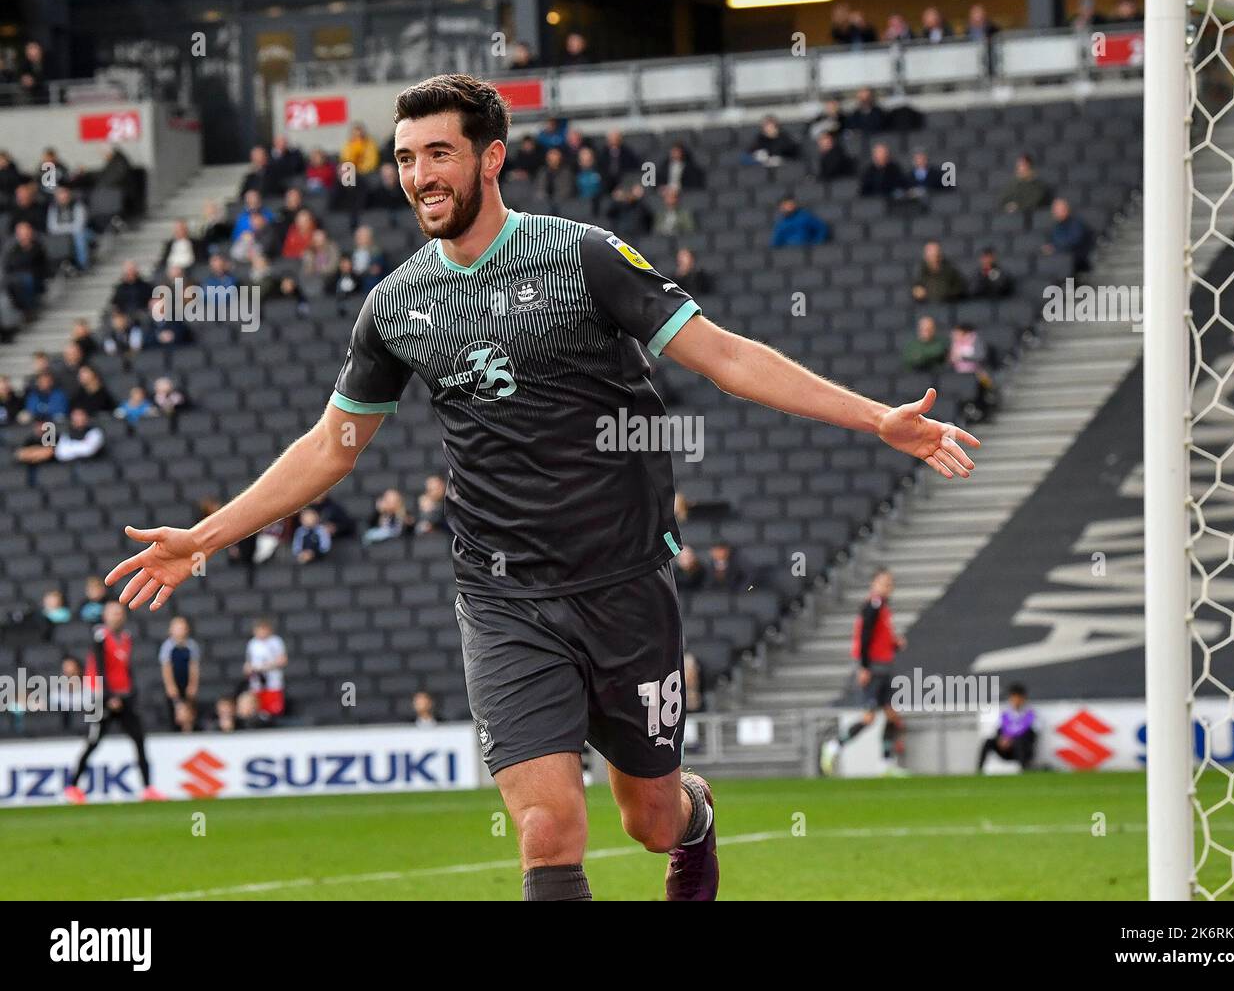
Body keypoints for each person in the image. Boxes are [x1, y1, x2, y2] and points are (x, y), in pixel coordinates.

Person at [103, 73, 979, 903]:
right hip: (503, 599)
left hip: (625, 584)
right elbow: (331, 449)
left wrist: (877, 419)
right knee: (548, 829)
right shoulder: (396, 305)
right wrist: (205, 536)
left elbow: (725, 358)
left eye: (438, 154)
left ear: (490, 158)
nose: (418, 176)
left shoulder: (583, 257)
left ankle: (695, 818)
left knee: (649, 819)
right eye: (406, 159)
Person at [64, 601, 166, 803]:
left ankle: (147, 788)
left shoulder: (126, 638)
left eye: (119, 613)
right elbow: (100, 668)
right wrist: (110, 697)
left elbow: (125, 668)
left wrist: (131, 692)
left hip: (124, 697)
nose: (117, 616)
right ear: (105, 616)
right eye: (113, 613)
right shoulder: (100, 637)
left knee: (139, 739)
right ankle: (73, 787)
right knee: (93, 742)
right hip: (103, 698)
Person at [821, 569, 906, 774]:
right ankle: (833, 746)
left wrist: (895, 644)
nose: (887, 587)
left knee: (892, 716)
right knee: (869, 718)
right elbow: (864, 637)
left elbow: (879, 639)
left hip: (885, 666)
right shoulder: (873, 605)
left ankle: (886, 764)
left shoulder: (883, 608)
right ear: (873, 584)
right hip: (874, 668)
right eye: (883, 583)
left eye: (889, 583)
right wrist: (864, 667)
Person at [978, 684, 1037, 771]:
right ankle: (979, 770)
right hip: (1006, 747)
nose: (1016, 701)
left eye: (1018, 698)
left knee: (1020, 741)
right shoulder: (1005, 713)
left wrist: (1012, 739)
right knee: (988, 741)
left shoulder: (1031, 713)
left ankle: (1024, 769)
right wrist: (1001, 739)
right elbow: (999, 729)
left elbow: (1032, 734)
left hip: (1023, 748)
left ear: (1023, 698)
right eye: (1013, 697)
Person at [158, 615, 201, 729]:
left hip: (186, 683)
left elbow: (194, 666)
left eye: (182, 627)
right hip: (174, 684)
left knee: (189, 709)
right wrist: (170, 686)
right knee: (174, 711)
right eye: (177, 627)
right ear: (170, 630)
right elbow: (166, 667)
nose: (180, 630)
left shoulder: (191, 646)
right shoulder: (167, 646)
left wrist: (193, 685)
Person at [244, 618, 287, 718]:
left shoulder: (275, 641)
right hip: (257, 682)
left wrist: (264, 667)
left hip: (272, 682)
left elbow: (282, 660)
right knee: (258, 707)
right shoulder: (252, 643)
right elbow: (249, 662)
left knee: (273, 709)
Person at [1043, 197, 1095, 273]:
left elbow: (1074, 242)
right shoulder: (1056, 227)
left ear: (1066, 209)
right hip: (1062, 263)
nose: (1055, 212)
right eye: (1054, 210)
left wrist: (1055, 248)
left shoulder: (1076, 224)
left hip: (1079, 266)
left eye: (1058, 209)